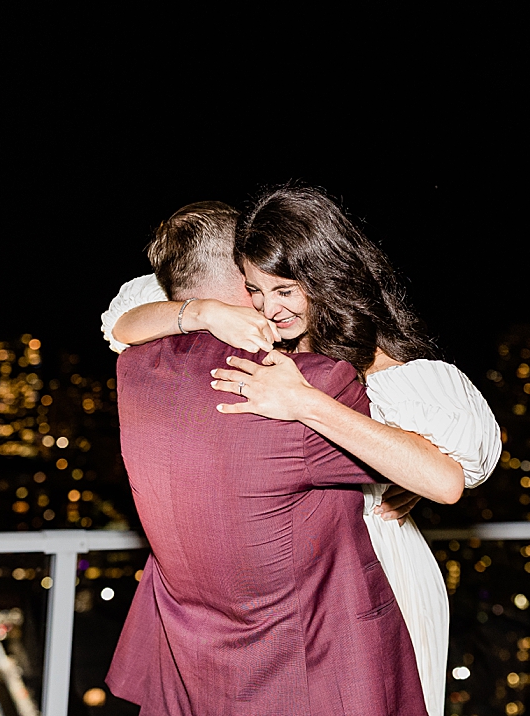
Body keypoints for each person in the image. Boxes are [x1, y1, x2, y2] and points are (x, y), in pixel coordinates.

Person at [102, 188, 502, 716]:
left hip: (375, 572)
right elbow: (123, 321)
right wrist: (206, 313)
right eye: (254, 289)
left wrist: (306, 404)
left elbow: (447, 479)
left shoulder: (382, 367)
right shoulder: (256, 327)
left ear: (323, 277)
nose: (268, 307)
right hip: (292, 590)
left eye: (285, 289)